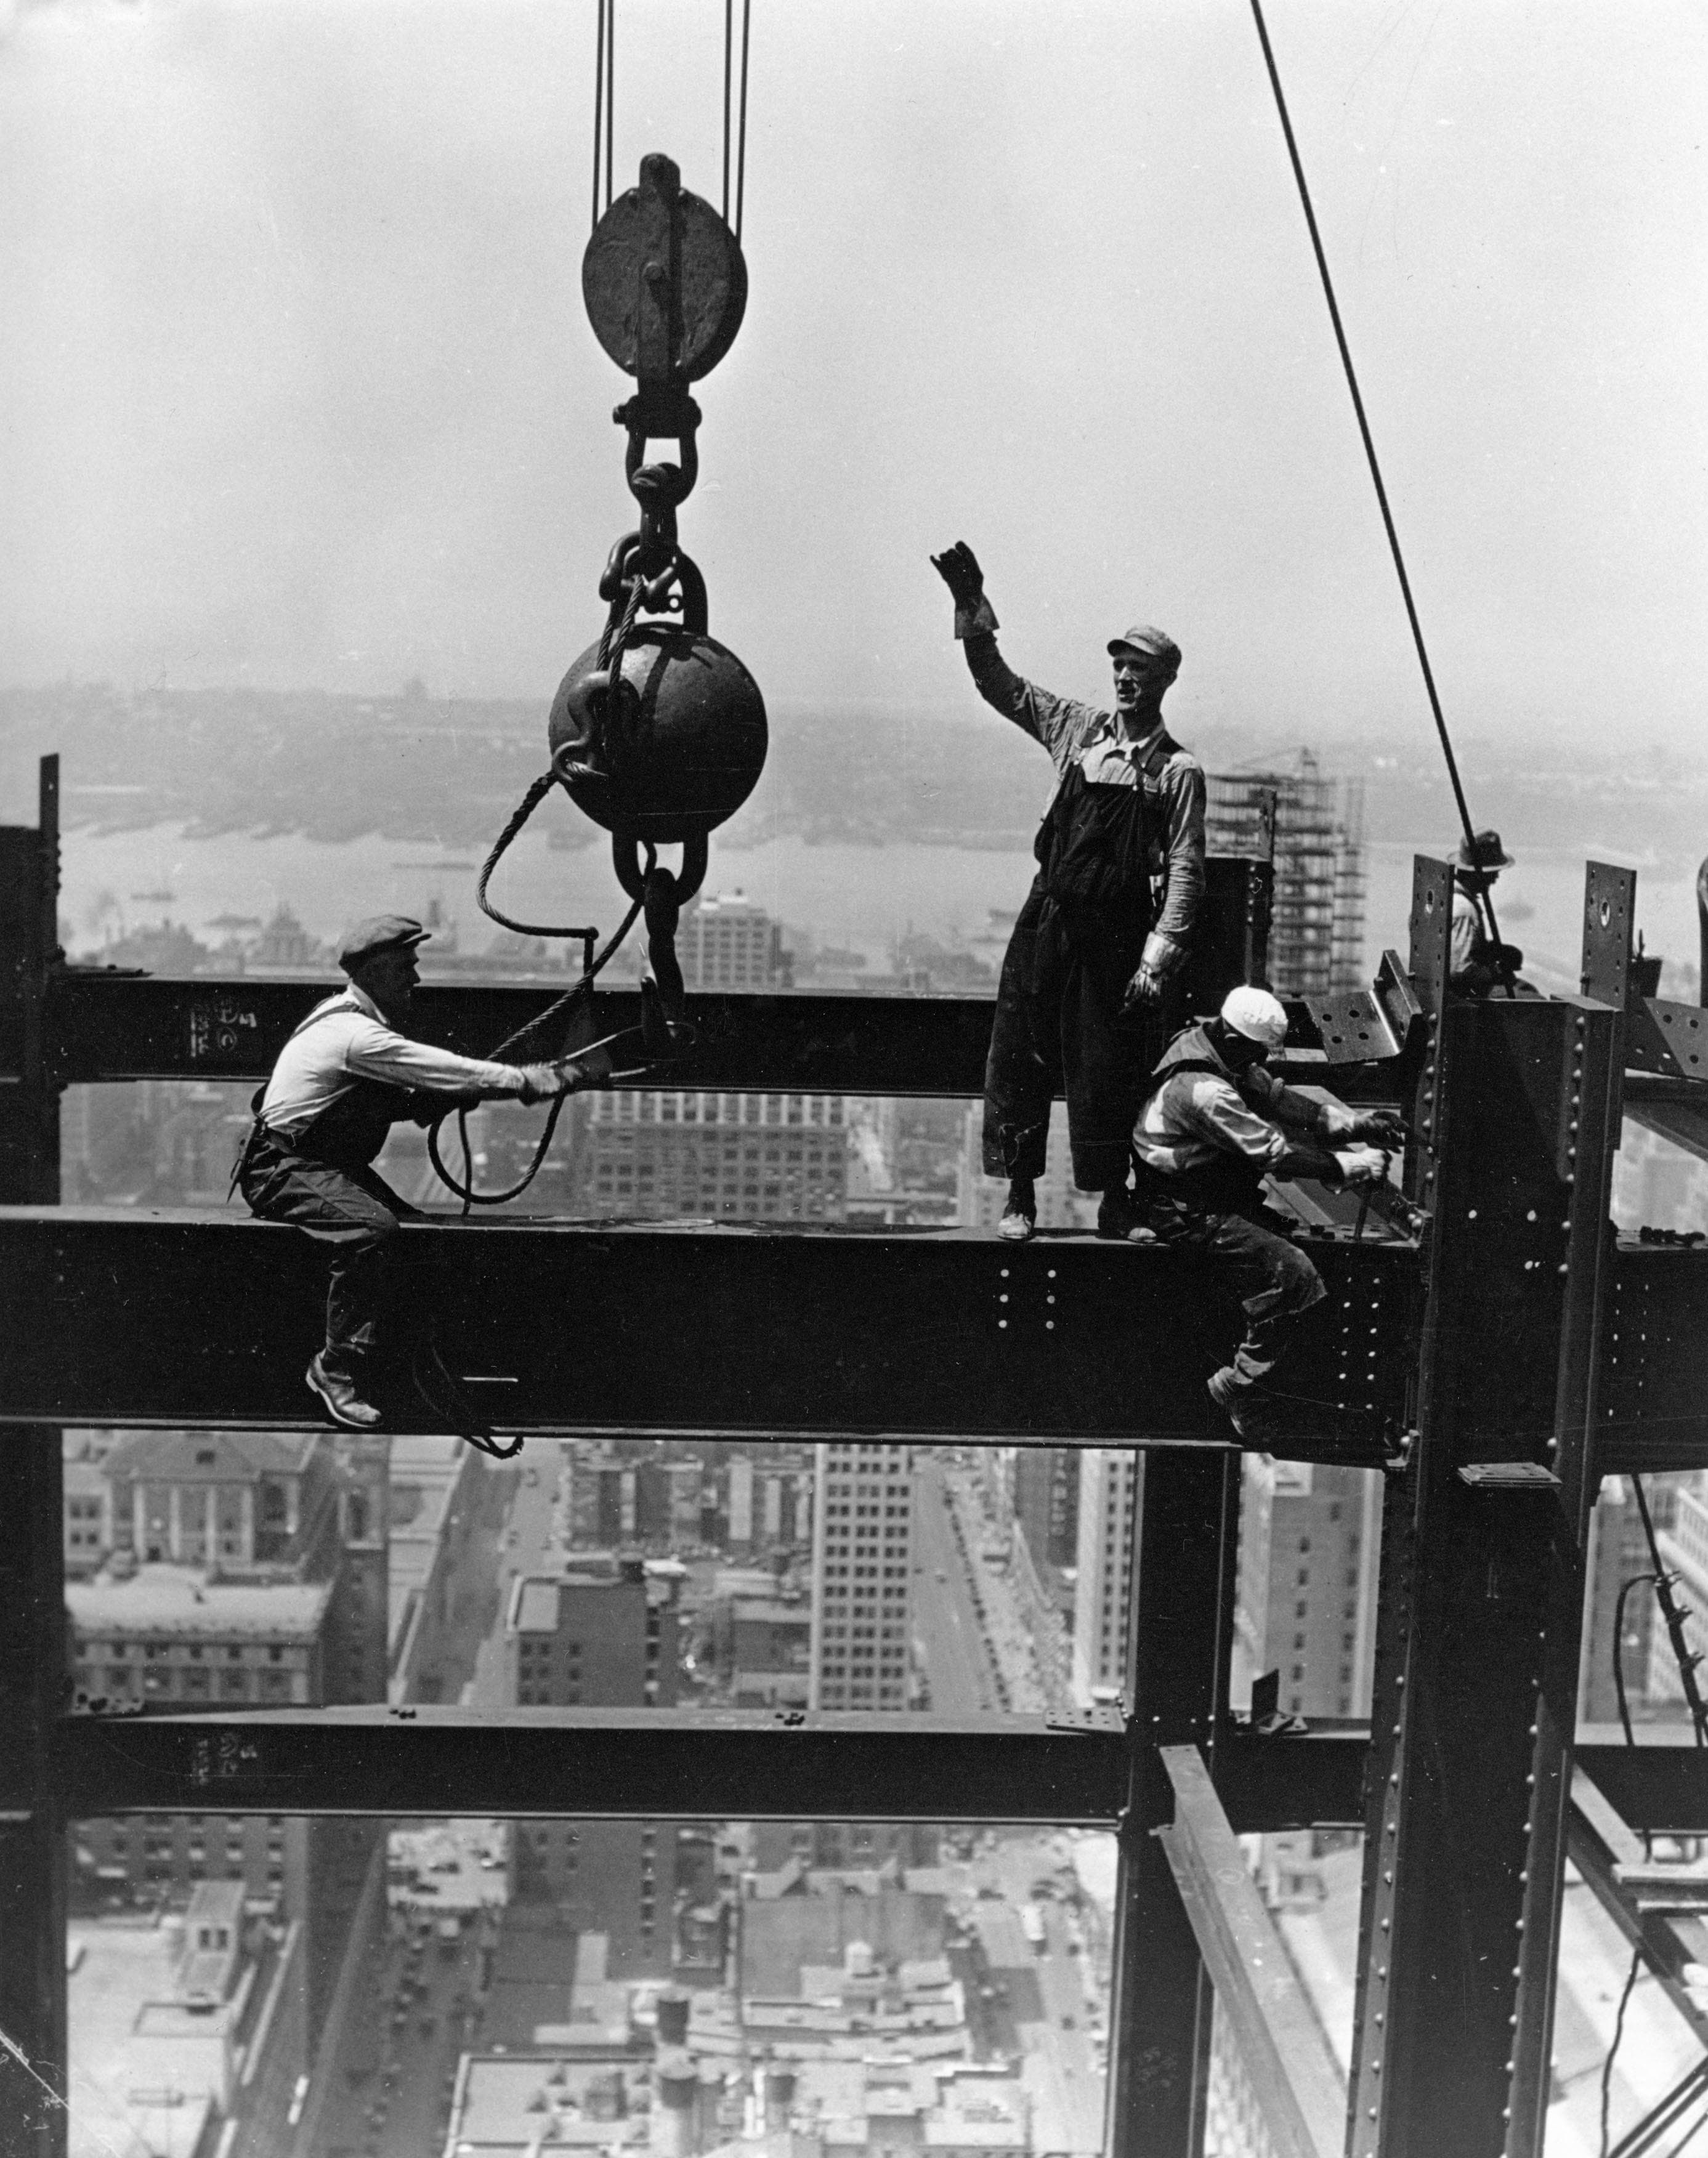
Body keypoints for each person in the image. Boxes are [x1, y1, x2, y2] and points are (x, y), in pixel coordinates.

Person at [930, 540, 1207, 1243]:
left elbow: (1183, 865)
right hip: (1047, 918)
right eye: (1118, 665)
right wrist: (972, 608)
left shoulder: (1177, 771)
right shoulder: (1078, 732)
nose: (1123, 678)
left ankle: (1117, 1201)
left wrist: (1157, 958)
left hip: (1116, 933)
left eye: (1138, 669)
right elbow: (1000, 684)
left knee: (1108, 1066)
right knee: (1021, 1049)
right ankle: (1020, 1195)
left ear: (1164, 681)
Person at [238, 914, 589, 1428]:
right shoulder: (355, 1036)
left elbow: (360, 1099)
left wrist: (425, 1102)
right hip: (282, 1169)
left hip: (314, 1161)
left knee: (415, 1232)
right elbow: (444, 1068)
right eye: (407, 967)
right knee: (373, 1232)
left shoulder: (341, 1016)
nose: (416, 979)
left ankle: (394, 1349)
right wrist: (526, 1080)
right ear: (377, 972)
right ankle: (333, 1368)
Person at [1132, 985, 1398, 1444]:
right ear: (1237, 1040)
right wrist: (1349, 1166)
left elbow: (1278, 1099)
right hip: (1188, 1210)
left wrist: (1355, 1124)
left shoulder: (1208, 1048)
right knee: (1295, 1274)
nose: (1262, 1062)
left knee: (1281, 1248)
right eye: (1257, 1052)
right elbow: (1272, 1152)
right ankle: (1238, 1385)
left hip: (1203, 1193)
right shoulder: (1204, 1091)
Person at [1448, 828, 1524, 995]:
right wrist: (1495, 971)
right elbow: (1459, 970)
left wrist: (1492, 950)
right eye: (1493, 872)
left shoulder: (1449, 897)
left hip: (1462, 989)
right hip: (1463, 996)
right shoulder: (1464, 909)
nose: (1496, 878)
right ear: (1477, 874)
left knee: (1525, 989)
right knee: (1536, 1002)